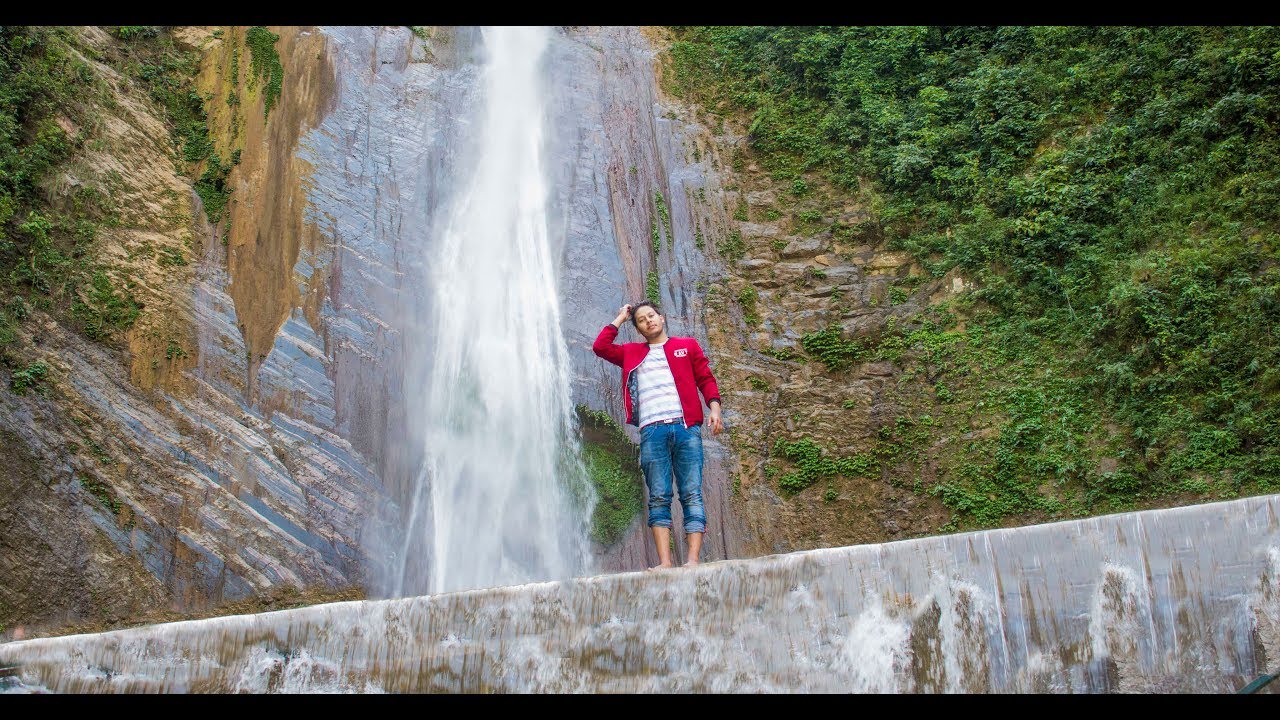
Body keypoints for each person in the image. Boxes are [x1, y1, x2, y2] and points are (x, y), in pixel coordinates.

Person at [592, 301, 723, 569]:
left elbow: (705, 378)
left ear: (661, 318)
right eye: (641, 320)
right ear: (638, 328)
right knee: (659, 496)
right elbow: (600, 347)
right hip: (652, 430)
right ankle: (665, 564)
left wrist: (714, 408)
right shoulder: (631, 353)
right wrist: (620, 317)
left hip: (686, 428)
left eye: (651, 315)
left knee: (692, 494)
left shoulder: (686, 346)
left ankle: (693, 561)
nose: (648, 321)